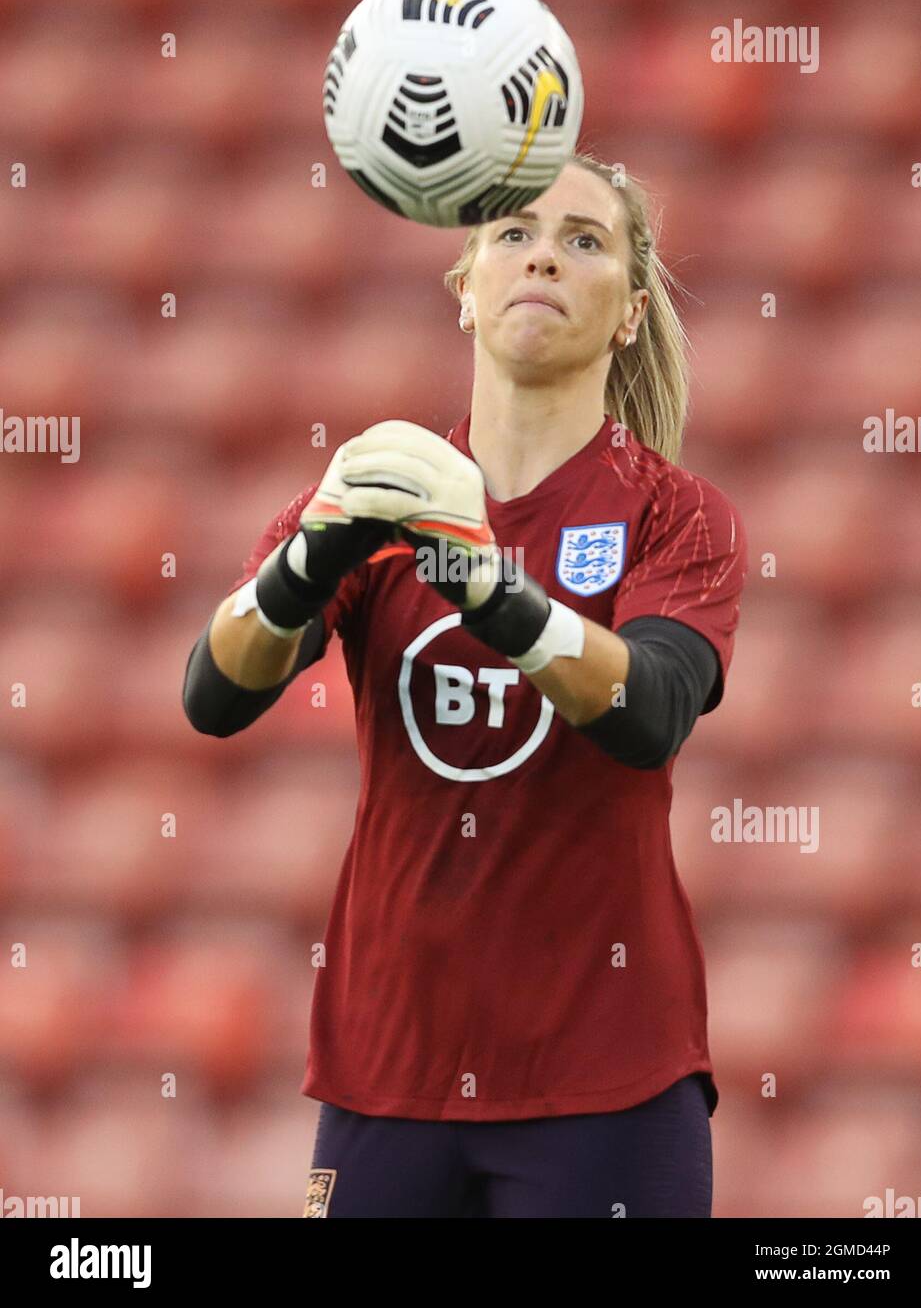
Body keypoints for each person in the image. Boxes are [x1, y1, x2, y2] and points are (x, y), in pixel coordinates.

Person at [183, 151, 748, 1218]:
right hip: (387, 1068)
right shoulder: (371, 489)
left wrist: (489, 590)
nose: (543, 254)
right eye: (514, 234)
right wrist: (308, 562)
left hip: (607, 1076)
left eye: (584, 240)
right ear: (464, 289)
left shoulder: (678, 513)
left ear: (629, 313)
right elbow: (215, 693)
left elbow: (648, 714)